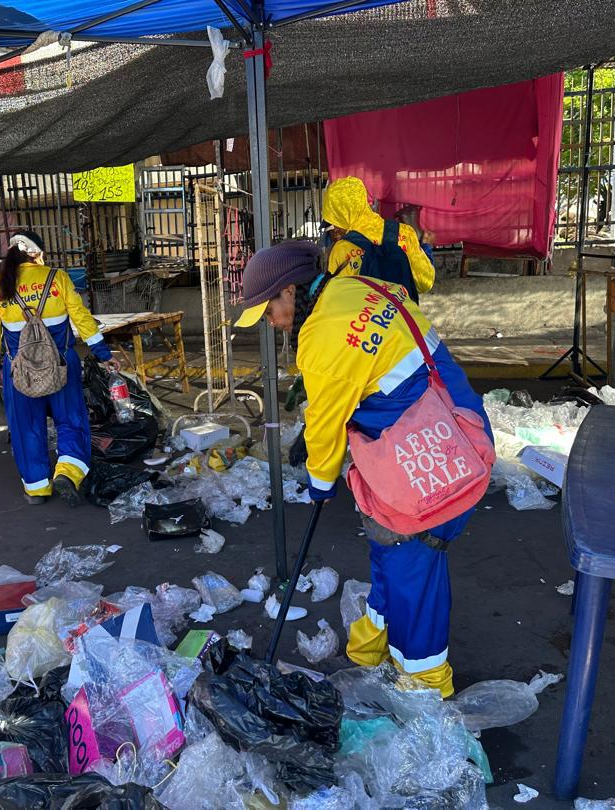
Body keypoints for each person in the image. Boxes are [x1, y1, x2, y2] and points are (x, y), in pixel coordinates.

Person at [234, 240, 491, 697]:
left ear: (289, 292)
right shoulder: (355, 286)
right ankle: (371, 645)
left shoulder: (320, 336)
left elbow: (324, 422)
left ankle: (424, 683)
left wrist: (319, 483)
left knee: (414, 554)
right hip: (453, 417)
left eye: (268, 311)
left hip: (430, 442)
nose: (271, 324)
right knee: (387, 539)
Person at [0, 231, 115, 505]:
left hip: (19, 369)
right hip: (63, 365)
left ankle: (37, 488)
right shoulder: (57, 278)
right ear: (37, 253)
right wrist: (102, 353)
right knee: (71, 419)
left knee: (27, 426)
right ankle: (69, 472)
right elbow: (83, 319)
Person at [321, 176, 436, 302]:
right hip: (400, 318)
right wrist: (426, 249)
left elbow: (336, 300)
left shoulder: (342, 250)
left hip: (364, 320)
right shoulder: (404, 233)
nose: (335, 229)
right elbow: (426, 283)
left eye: (334, 221)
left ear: (341, 214)